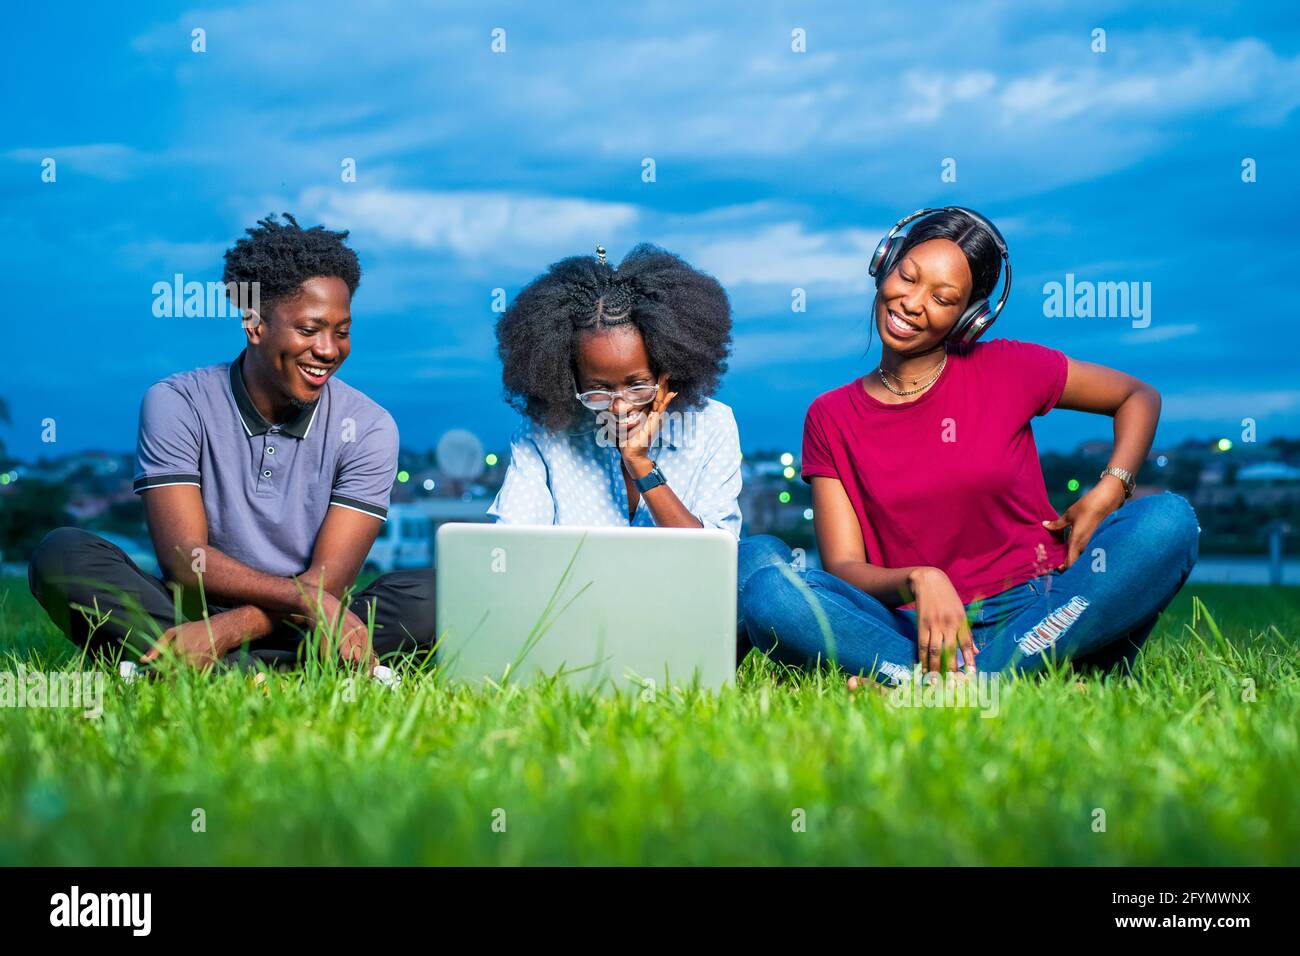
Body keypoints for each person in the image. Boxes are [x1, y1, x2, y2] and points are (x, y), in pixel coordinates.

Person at [740, 207, 1199, 687]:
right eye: (908, 277)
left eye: (942, 298)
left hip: (1042, 604)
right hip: (915, 626)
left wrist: (1112, 488)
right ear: (884, 265)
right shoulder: (829, 415)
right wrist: (917, 578)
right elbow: (844, 566)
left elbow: (1137, 396)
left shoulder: (1011, 367)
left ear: (970, 317)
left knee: (1168, 519)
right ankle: (1016, 681)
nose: (913, 303)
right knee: (772, 592)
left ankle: (951, 685)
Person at [28, 213, 435, 673]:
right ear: (255, 324)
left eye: (342, 332)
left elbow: (328, 586)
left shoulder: (370, 426)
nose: (329, 349)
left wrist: (225, 632)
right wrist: (230, 618)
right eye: (308, 330)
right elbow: (186, 560)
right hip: (195, 610)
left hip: (310, 620)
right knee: (62, 555)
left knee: (436, 595)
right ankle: (286, 673)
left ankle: (194, 669)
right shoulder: (176, 401)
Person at [489, 244, 787, 658]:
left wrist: (641, 464)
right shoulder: (545, 431)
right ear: (566, 377)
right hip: (576, 620)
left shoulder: (713, 424)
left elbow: (709, 565)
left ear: (670, 368)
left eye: (637, 384)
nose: (619, 406)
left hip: (684, 617)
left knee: (761, 557)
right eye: (596, 389)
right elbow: (514, 549)